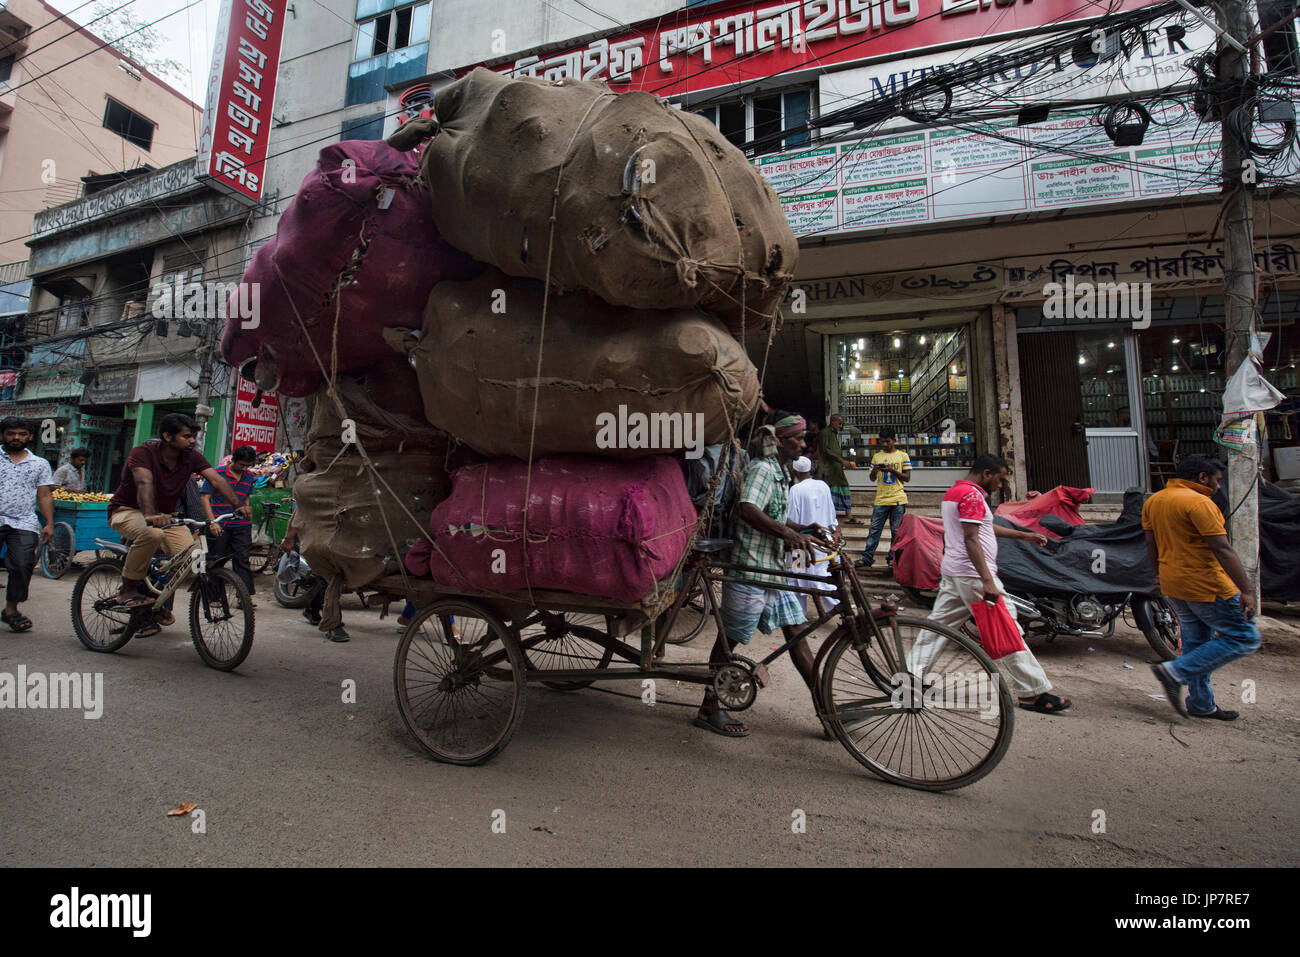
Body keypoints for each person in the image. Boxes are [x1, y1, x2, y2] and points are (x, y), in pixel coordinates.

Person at [911, 454, 1073, 714]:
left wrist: (1022, 535)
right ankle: (1032, 693)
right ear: (987, 473)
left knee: (936, 629)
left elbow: (983, 528)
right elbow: (972, 539)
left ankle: (911, 680)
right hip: (974, 576)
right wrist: (987, 581)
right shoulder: (973, 496)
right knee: (1008, 630)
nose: (1000, 485)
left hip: (955, 573)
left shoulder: (955, 492)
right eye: (999, 479)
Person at [694, 413, 818, 737]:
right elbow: (749, 508)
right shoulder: (764, 469)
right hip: (751, 567)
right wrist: (788, 535)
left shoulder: (780, 472)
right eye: (798, 439)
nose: (803, 445)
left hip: (773, 569)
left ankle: (825, 708)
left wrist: (803, 529)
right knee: (728, 640)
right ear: (780, 440)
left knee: (798, 634)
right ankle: (709, 708)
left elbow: (772, 514)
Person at [107, 413, 251, 636]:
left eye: (194, 436)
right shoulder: (143, 453)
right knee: (151, 535)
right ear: (167, 436)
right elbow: (144, 482)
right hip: (128, 511)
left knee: (191, 559)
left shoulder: (191, 457)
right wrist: (151, 514)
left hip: (167, 516)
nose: (192, 440)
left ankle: (156, 604)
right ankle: (128, 588)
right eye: (187, 436)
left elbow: (215, 479)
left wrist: (237, 504)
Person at [1144, 454, 1260, 721]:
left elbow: (1151, 545)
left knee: (1197, 644)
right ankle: (1173, 672)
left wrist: (1159, 576)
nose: (1219, 487)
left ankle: (1201, 703)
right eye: (1217, 481)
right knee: (1245, 637)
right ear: (1202, 477)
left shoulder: (1155, 500)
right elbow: (1222, 548)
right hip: (1206, 584)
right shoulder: (1199, 502)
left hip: (1173, 584)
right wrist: (1247, 590)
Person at [0, 417, 54, 632]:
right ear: (3, 435)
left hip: (23, 520)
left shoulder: (39, 464)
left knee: (23, 564)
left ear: (30, 437)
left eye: (21, 434)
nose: (16, 437)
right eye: (11, 433)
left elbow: (44, 495)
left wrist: (49, 523)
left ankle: (11, 610)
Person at [280, 505, 350, 642]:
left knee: (327, 580)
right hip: (315, 542)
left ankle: (311, 610)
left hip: (337, 542)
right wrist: (288, 538)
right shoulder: (317, 491)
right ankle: (333, 624)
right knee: (328, 581)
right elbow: (299, 512)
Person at [201, 446, 258, 602]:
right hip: (220, 523)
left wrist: (247, 514)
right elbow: (205, 498)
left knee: (243, 560)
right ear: (233, 460)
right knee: (216, 561)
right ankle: (213, 597)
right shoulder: (217, 474)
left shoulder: (249, 477)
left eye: (248, 465)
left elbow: (246, 498)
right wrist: (212, 522)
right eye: (242, 465)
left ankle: (244, 598)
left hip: (241, 525)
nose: (244, 468)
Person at [786, 455, 839, 613]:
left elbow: (791, 518)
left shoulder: (795, 490)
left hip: (803, 542)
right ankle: (837, 606)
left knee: (797, 577)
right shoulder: (823, 485)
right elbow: (831, 513)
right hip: (824, 540)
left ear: (794, 471)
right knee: (821, 575)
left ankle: (799, 613)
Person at [856, 427, 911, 569]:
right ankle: (867, 558)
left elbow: (907, 478)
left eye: (887, 442)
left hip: (898, 499)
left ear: (894, 440)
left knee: (896, 532)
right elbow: (872, 478)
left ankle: (892, 559)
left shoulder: (903, 456)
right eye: (883, 442)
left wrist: (892, 470)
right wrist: (875, 469)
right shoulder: (876, 457)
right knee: (874, 530)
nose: (885, 444)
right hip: (881, 499)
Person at [817, 412, 857, 524]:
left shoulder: (834, 433)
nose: (841, 426)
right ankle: (842, 515)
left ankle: (848, 515)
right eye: (839, 423)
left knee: (842, 488)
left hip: (836, 467)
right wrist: (842, 461)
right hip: (829, 467)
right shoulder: (825, 433)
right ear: (833, 421)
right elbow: (826, 450)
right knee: (835, 489)